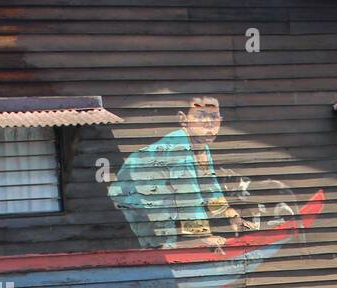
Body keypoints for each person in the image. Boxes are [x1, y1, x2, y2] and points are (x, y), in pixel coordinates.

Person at [107, 96, 255, 252]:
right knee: (163, 241)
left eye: (214, 116)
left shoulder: (201, 147)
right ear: (183, 119)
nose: (208, 122)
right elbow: (187, 196)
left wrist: (231, 215)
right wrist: (202, 236)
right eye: (200, 116)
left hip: (154, 193)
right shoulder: (179, 148)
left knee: (164, 234)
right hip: (135, 192)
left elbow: (209, 187)